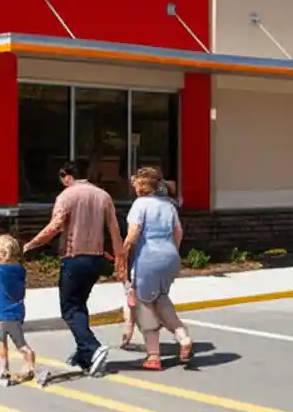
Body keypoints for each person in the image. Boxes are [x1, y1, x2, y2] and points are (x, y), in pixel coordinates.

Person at [23, 160, 124, 377]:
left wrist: (31, 244)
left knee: (69, 309)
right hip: (96, 260)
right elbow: (115, 232)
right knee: (79, 305)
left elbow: (55, 226)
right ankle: (83, 354)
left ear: (67, 176)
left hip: (73, 258)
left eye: (62, 179)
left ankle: (93, 347)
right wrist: (120, 260)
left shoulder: (66, 196)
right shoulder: (103, 196)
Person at [119, 166, 193, 370]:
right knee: (161, 298)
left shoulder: (140, 205)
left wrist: (122, 253)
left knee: (143, 305)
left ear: (142, 185)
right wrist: (172, 252)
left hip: (147, 259)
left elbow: (133, 233)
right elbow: (178, 232)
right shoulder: (168, 205)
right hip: (169, 256)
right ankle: (183, 337)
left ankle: (153, 355)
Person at [0, 234, 38, 384]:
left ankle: (4, 370)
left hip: (2, 313)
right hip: (17, 312)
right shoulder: (19, 270)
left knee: (0, 341)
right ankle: (28, 360)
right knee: (18, 341)